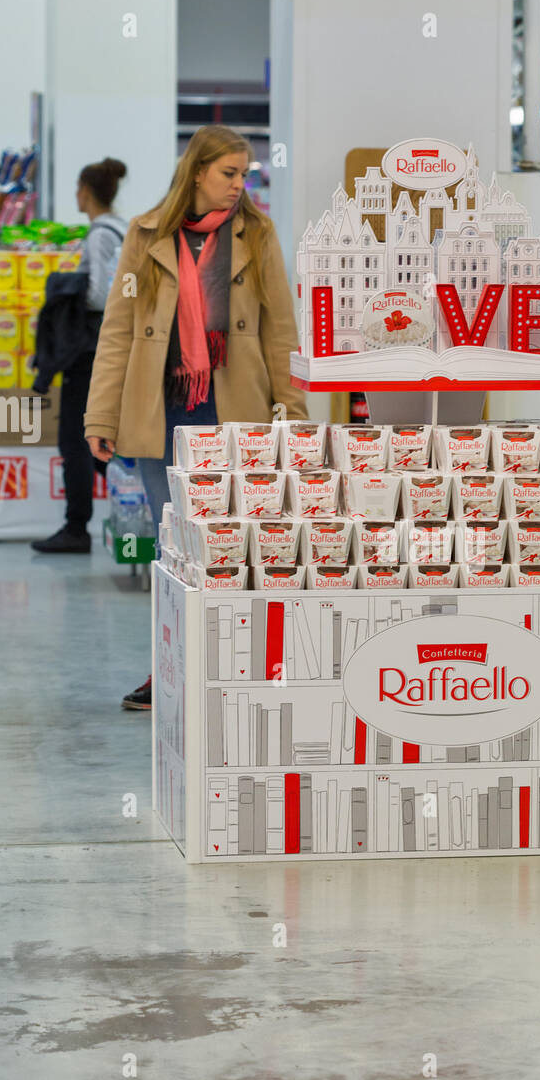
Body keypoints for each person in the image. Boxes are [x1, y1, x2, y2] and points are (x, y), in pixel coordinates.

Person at [84, 125, 308, 709]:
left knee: (237, 545)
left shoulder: (258, 235)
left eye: (245, 175)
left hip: (237, 412)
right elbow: (118, 331)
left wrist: (292, 413)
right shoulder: (145, 236)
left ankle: (241, 672)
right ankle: (171, 671)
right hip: (163, 413)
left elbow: (282, 330)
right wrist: (100, 417)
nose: (239, 184)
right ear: (198, 171)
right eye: (229, 173)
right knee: (173, 548)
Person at [32, 158, 128, 553]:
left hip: (89, 351)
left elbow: (100, 295)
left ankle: (76, 528)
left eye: (77, 188)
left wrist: (67, 290)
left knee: (75, 439)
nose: (75, 195)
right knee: (99, 439)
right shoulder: (122, 229)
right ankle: (123, 505)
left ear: (86, 191)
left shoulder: (101, 234)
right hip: (106, 348)